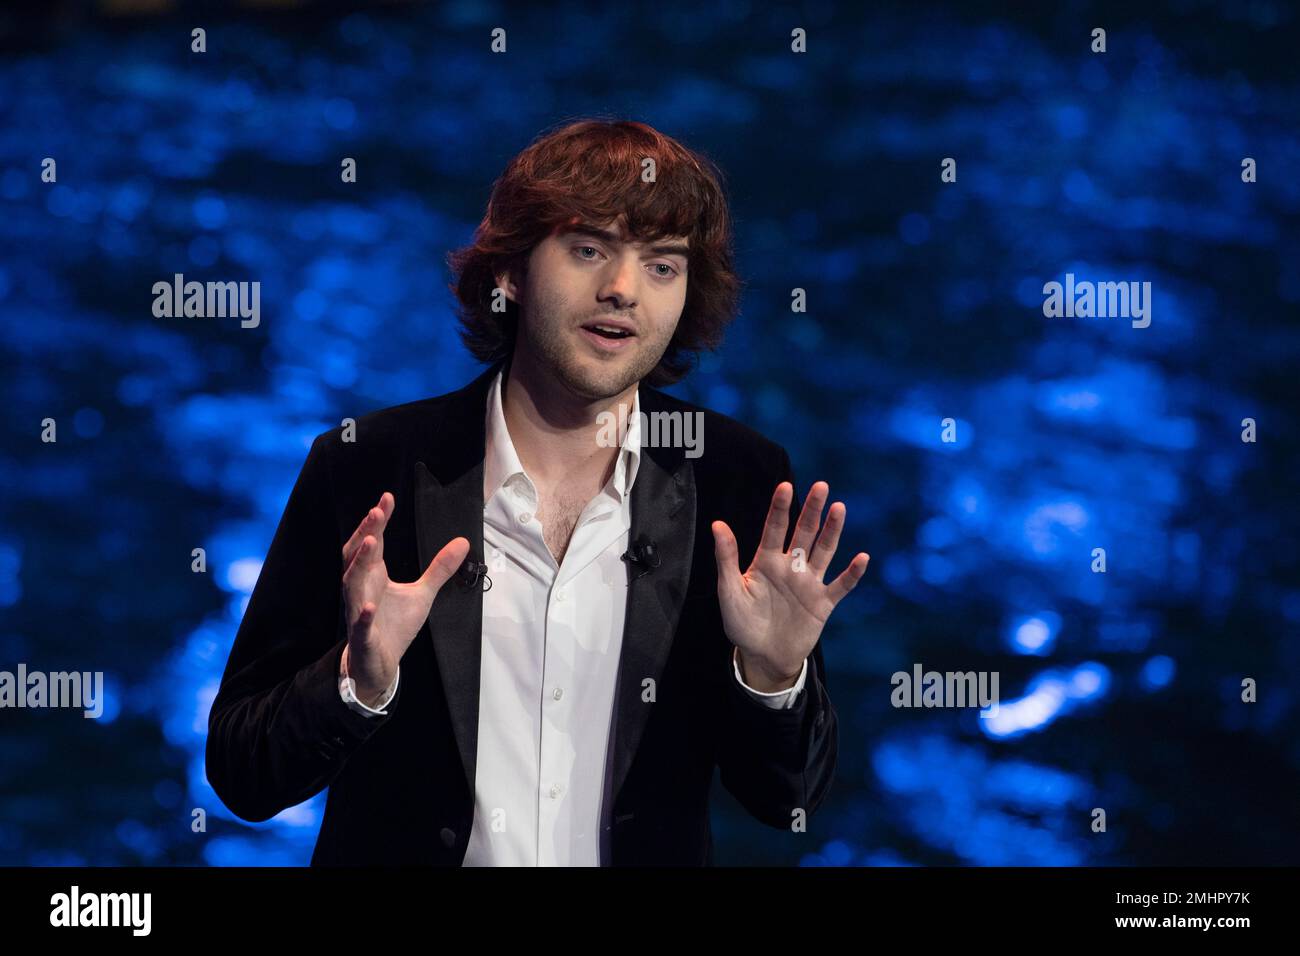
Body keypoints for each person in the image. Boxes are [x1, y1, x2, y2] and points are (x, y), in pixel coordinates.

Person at [206, 118, 869, 865]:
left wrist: (774, 677)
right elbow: (242, 773)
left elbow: (791, 803)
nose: (621, 290)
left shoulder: (737, 480)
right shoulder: (367, 469)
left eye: (662, 266)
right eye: (588, 250)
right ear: (511, 272)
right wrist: (355, 684)